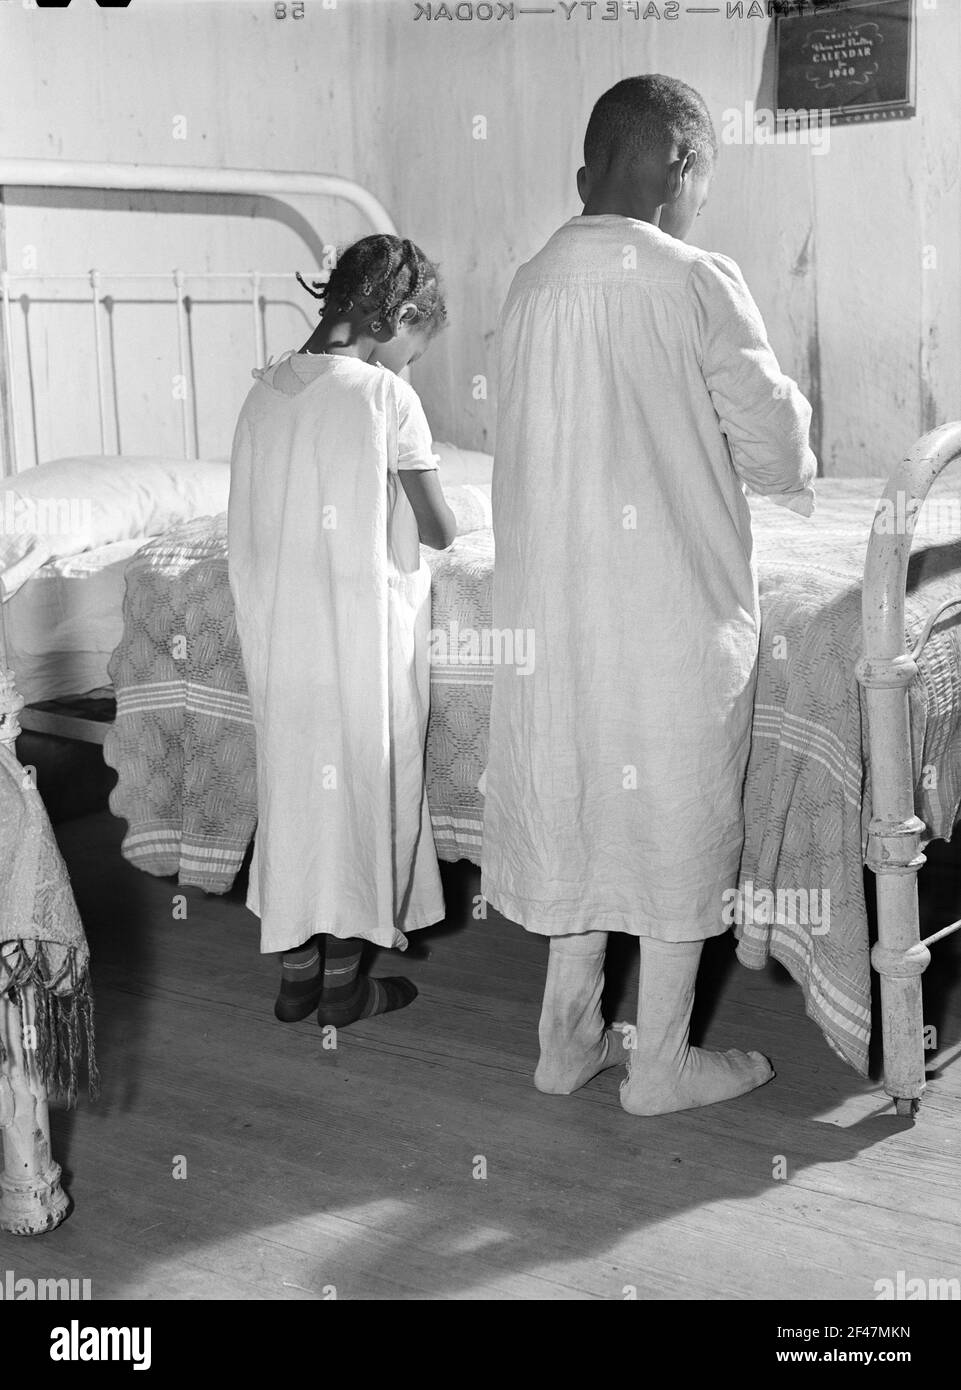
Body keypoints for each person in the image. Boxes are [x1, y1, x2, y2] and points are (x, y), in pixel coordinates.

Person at [481, 75, 817, 1114]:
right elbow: (774, 454)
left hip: (553, 616)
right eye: (700, 183)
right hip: (667, 615)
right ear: (679, 163)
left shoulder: (529, 282)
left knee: (582, 811)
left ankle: (566, 1041)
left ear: (591, 169)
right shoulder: (693, 280)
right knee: (673, 818)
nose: (697, 206)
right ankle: (660, 1063)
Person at [228, 235, 456, 1029]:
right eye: (412, 351)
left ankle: (296, 978)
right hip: (359, 641)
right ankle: (346, 985)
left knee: (293, 793)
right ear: (396, 316)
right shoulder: (385, 398)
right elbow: (436, 529)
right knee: (365, 793)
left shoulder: (263, 392)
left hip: (280, 641)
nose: (407, 369)